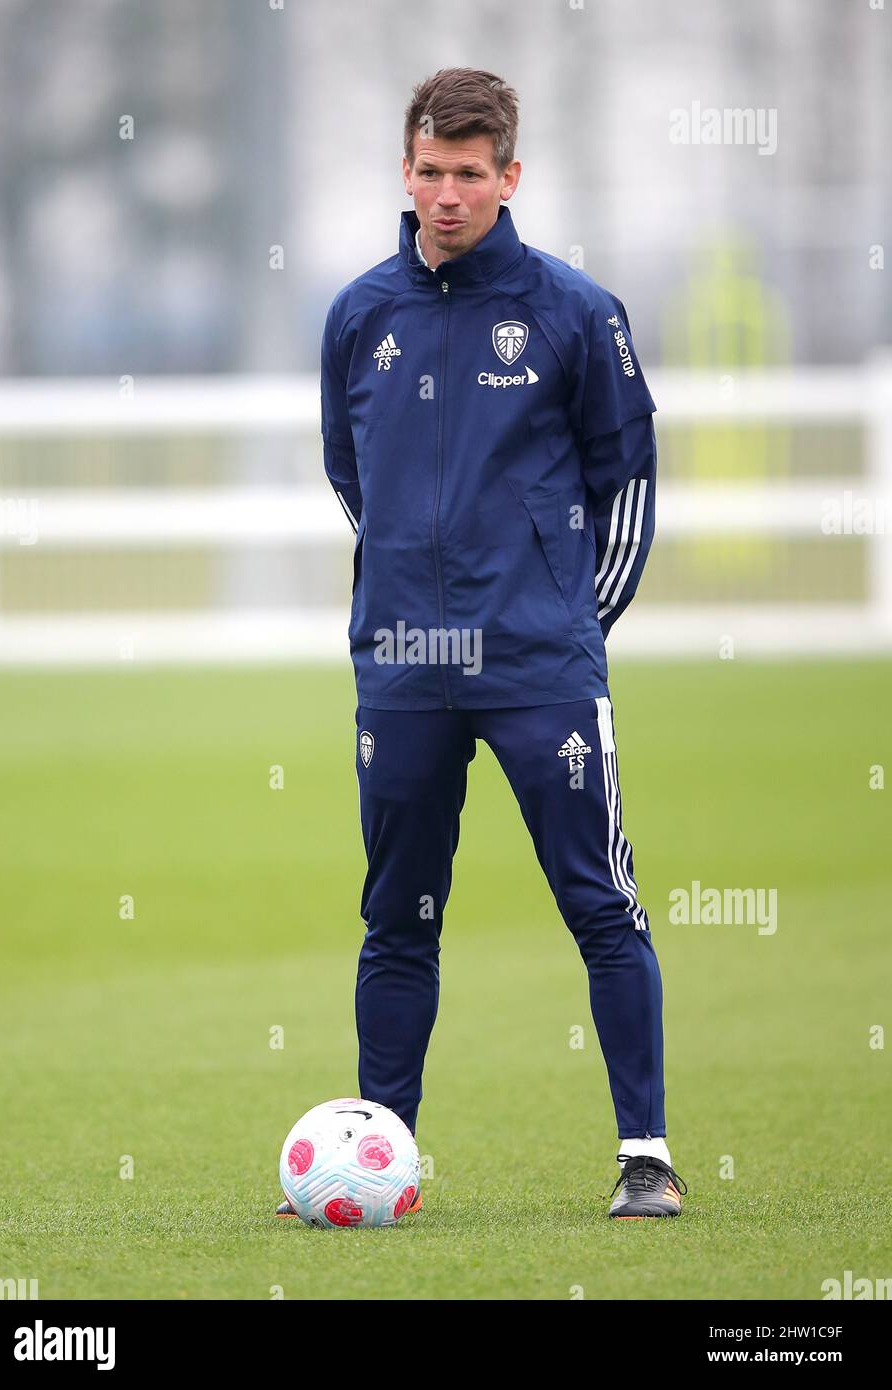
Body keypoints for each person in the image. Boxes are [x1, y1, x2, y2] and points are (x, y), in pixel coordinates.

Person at [280, 66, 686, 1220]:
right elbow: (351, 475)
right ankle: (381, 1149)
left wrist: (564, 624)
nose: (446, 195)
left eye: (469, 175)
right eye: (428, 173)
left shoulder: (575, 312)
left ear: (509, 178)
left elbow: (628, 484)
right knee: (396, 917)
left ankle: (643, 1153)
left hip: (538, 667)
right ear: (403, 174)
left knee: (599, 904)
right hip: (403, 667)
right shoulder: (359, 313)